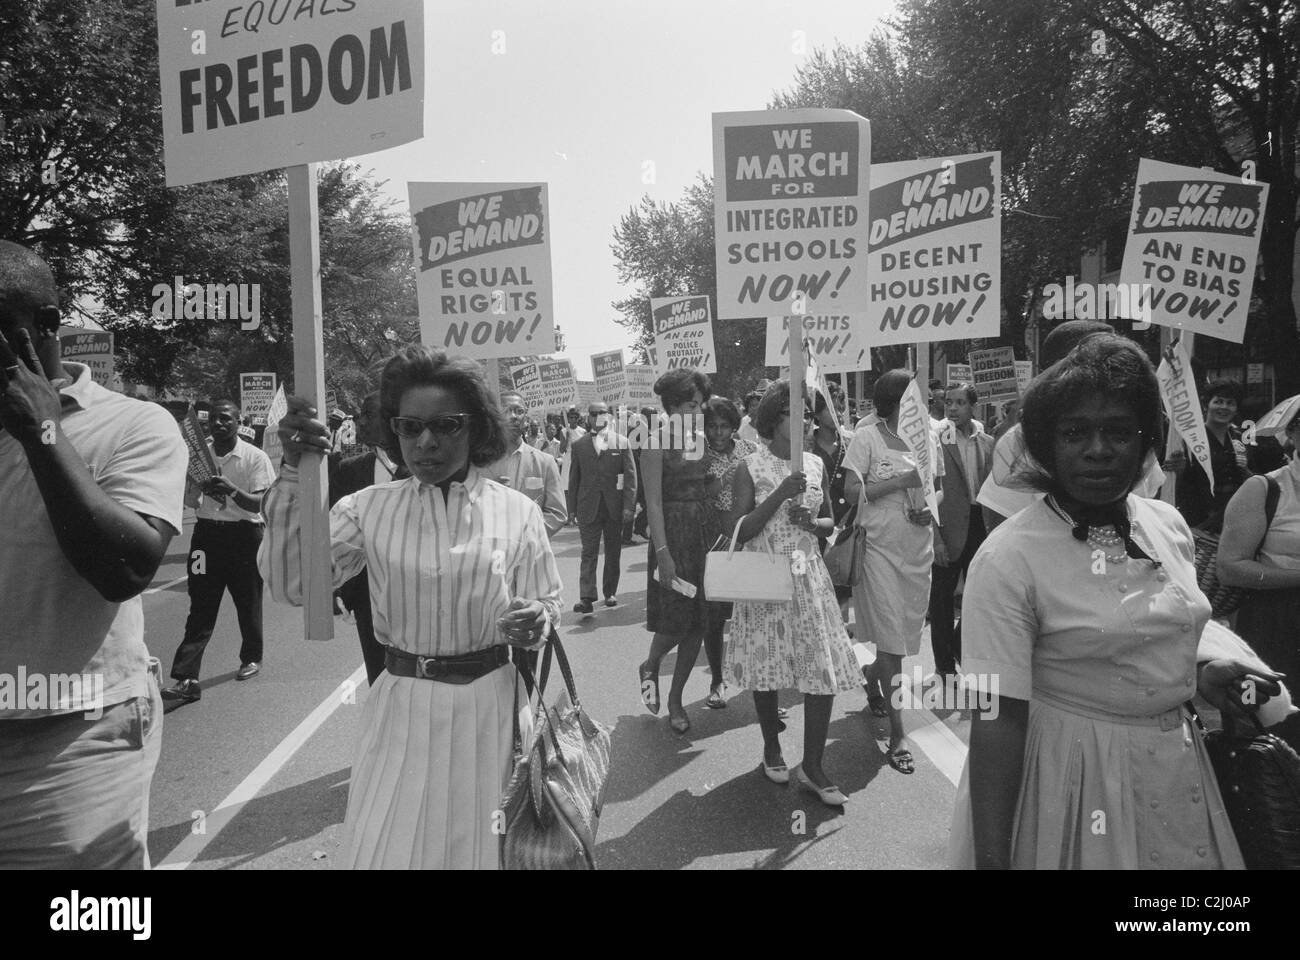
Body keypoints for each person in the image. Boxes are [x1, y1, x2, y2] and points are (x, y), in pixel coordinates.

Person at [951, 334, 1277, 869]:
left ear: (1145, 440)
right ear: (1046, 443)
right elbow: (996, 717)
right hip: (1074, 786)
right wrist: (993, 861)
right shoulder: (1007, 558)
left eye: (1119, 432)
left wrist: (1202, 675)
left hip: (1179, 769)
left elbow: (1155, 632)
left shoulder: (1167, 525)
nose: (1098, 449)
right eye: (1075, 432)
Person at [260, 346, 561, 869]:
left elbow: (546, 602)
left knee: (482, 853)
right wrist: (292, 472)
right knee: (389, 851)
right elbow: (292, 585)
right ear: (392, 430)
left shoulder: (518, 512)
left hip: (490, 710)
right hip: (400, 706)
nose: (426, 441)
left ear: (476, 427)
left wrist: (536, 618)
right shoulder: (366, 509)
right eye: (409, 426)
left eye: (446, 425)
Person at [0, 240, 185, 867]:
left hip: (72, 740)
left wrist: (42, 432)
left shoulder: (136, 425)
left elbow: (125, 568)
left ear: (44, 326)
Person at [725, 382, 861, 804]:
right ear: (772, 418)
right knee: (768, 670)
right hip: (765, 578)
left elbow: (832, 525)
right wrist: (781, 495)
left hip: (809, 579)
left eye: (806, 411)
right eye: (792, 411)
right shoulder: (751, 466)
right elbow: (738, 531)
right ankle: (771, 746)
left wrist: (811, 522)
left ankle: (814, 766)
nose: (803, 418)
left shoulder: (816, 464)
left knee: (821, 672)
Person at [842, 369, 943, 774]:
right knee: (892, 642)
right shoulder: (866, 436)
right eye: (913, 395)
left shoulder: (928, 440)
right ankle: (899, 733)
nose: (922, 401)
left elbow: (938, 486)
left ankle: (872, 676)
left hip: (917, 550)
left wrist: (928, 506)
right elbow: (851, 492)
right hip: (878, 548)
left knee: (899, 636)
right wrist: (899, 481)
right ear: (896, 399)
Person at [163, 398, 275, 701]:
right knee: (200, 603)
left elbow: (262, 504)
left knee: (247, 601)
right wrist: (198, 488)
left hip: (245, 538)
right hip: (205, 540)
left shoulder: (255, 457)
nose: (219, 424)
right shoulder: (198, 458)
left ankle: (252, 657)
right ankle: (186, 677)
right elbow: (190, 503)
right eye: (214, 419)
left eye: (226, 419)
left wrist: (231, 491)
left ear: (239, 422)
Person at [1217, 399, 1300, 750]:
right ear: (1292, 434)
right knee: (1268, 728)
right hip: (1273, 625)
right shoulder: (1265, 489)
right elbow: (1230, 567)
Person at [638, 368, 715, 734]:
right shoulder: (654, 443)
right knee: (674, 622)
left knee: (699, 623)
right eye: (689, 405)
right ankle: (651, 663)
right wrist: (663, 552)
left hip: (702, 537)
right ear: (670, 406)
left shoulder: (703, 442)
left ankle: (675, 699)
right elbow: (653, 504)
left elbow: (712, 487)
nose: (696, 412)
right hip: (672, 537)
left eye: (699, 405)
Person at [328, 391, 410, 686]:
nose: (360, 422)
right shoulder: (349, 470)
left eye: (368, 415)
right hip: (367, 595)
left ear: (392, 420)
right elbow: (334, 536)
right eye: (359, 416)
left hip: (416, 591)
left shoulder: (425, 467)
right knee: (380, 679)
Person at [929, 383, 994, 679]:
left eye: (959, 403)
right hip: (947, 528)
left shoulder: (987, 443)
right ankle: (944, 665)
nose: (952, 408)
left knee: (979, 598)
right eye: (948, 403)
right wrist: (936, 537)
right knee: (942, 601)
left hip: (980, 525)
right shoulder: (936, 441)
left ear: (973, 407)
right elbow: (928, 492)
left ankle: (958, 644)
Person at [701, 396, 759, 708]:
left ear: (735, 427)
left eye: (725, 426)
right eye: (713, 427)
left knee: (751, 613)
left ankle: (760, 685)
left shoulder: (750, 450)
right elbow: (700, 493)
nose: (719, 433)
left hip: (750, 538)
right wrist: (725, 478)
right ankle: (717, 679)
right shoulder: (699, 454)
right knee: (714, 616)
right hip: (716, 540)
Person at [568, 400, 638, 614]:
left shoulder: (622, 442)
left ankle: (609, 592)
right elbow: (574, 479)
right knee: (588, 552)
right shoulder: (579, 445)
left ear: (609, 416)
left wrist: (629, 506)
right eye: (593, 412)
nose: (598, 415)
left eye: (602, 412)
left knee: (613, 551)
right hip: (588, 506)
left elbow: (630, 477)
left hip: (614, 507)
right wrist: (571, 509)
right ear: (587, 417)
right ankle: (586, 597)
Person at [1166, 378, 1250, 533]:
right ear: (1206, 405)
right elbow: (1174, 484)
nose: (1224, 407)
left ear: (1236, 409)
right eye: (1218, 401)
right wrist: (1179, 470)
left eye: (1230, 403)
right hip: (1199, 523)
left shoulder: (1239, 438)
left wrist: (1245, 469)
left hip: (1232, 519)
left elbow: (1250, 481)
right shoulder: (1190, 438)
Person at [486, 390, 567, 536]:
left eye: (519, 411)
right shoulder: (478, 463)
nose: (513, 416)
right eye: (506, 410)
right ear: (494, 416)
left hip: (531, 551)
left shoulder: (545, 462)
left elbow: (557, 515)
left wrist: (523, 535)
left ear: (526, 417)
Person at [558, 404, 586, 524]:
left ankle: (579, 515)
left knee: (579, 486)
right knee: (567, 488)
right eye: (571, 417)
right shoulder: (564, 431)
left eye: (575, 417)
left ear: (578, 418)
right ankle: (570, 515)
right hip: (568, 459)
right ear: (568, 419)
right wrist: (567, 437)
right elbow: (562, 450)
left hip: (579, 459)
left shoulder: (583, 431)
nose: (573, 420)